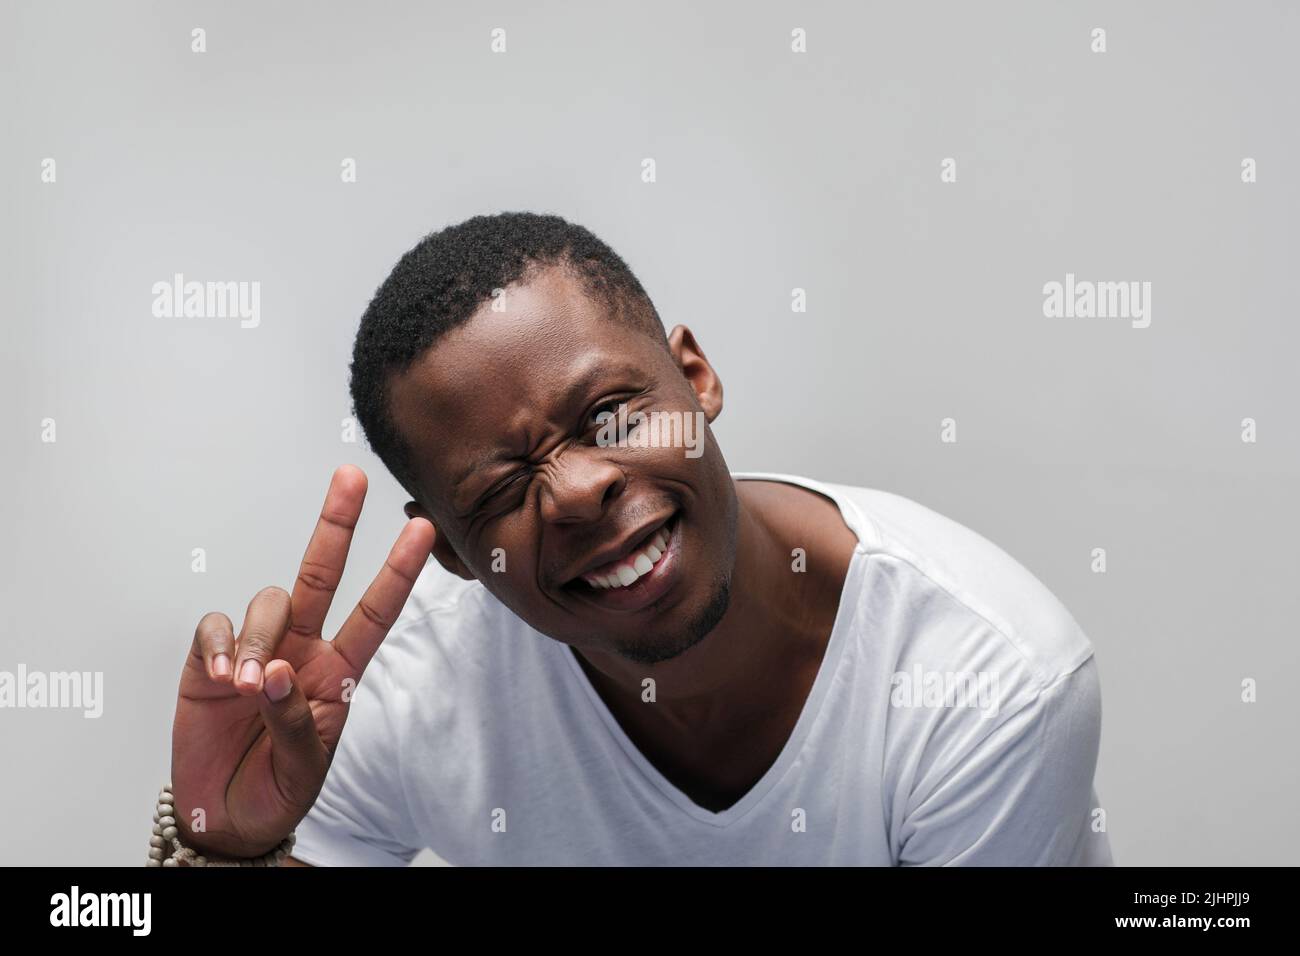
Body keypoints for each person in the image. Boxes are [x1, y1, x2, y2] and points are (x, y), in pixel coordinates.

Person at [160, 212, 1113, 866]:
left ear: (695, 378)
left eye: (611, 415)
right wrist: (222, 847)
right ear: (450, 551)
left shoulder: (987, 682)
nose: (577, 490)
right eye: (499, 489)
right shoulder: (394, 692)